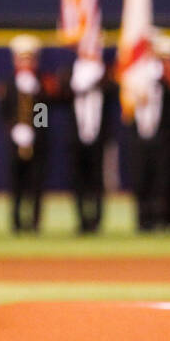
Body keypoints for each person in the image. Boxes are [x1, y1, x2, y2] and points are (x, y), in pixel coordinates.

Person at [0, 34, 60, 233]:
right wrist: (14, 130)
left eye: (29, 58)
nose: (26, 62)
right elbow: (3, 113)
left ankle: (35, 223)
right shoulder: (7, 84)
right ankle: (16, 222)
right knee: (16, 183)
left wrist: (35, 131)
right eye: (22, 58)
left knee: (37, 183)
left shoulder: (42, 83)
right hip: (15, 142)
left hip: (37, 142)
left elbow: (44, 113)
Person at [130, 33, 170, 232]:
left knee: (166, 180)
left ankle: (166, 220)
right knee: (142, 179)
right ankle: (144, 220)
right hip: (143, 136)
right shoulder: (144, 76)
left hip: (167, 140)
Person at [56, 44, 117, 234]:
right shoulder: (65, 76)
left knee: (97, 181)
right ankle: (24, 225)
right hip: (73, 140)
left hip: (98, 139)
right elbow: (43, 103)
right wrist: (37, 127)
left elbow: (114, 91)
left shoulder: (105, 77)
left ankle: (96, 222)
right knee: (77, 181)